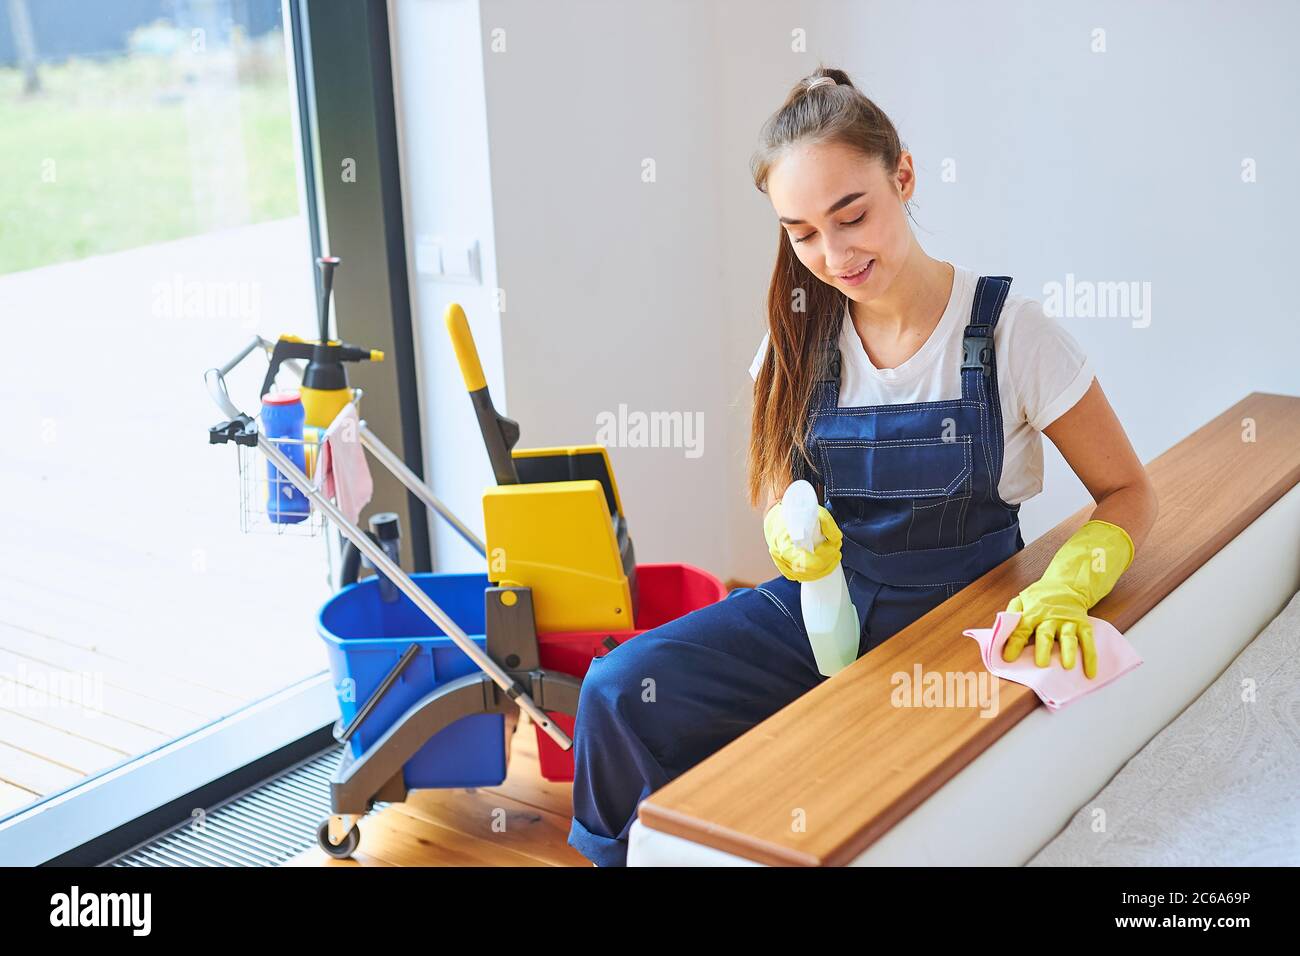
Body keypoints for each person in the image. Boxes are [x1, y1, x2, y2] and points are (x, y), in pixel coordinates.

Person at [567, 66, 1158, 868]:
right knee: (616, 694)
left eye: (852, 216)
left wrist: (1069, 581)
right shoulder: (798, 336)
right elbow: (782, 477)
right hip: (823, 610)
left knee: (886, 791)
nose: (833, 253)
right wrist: (787, 527)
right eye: (801, 233)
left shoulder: (1011, 332)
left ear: (903, 176)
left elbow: (1128, 491)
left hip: (963, 616)